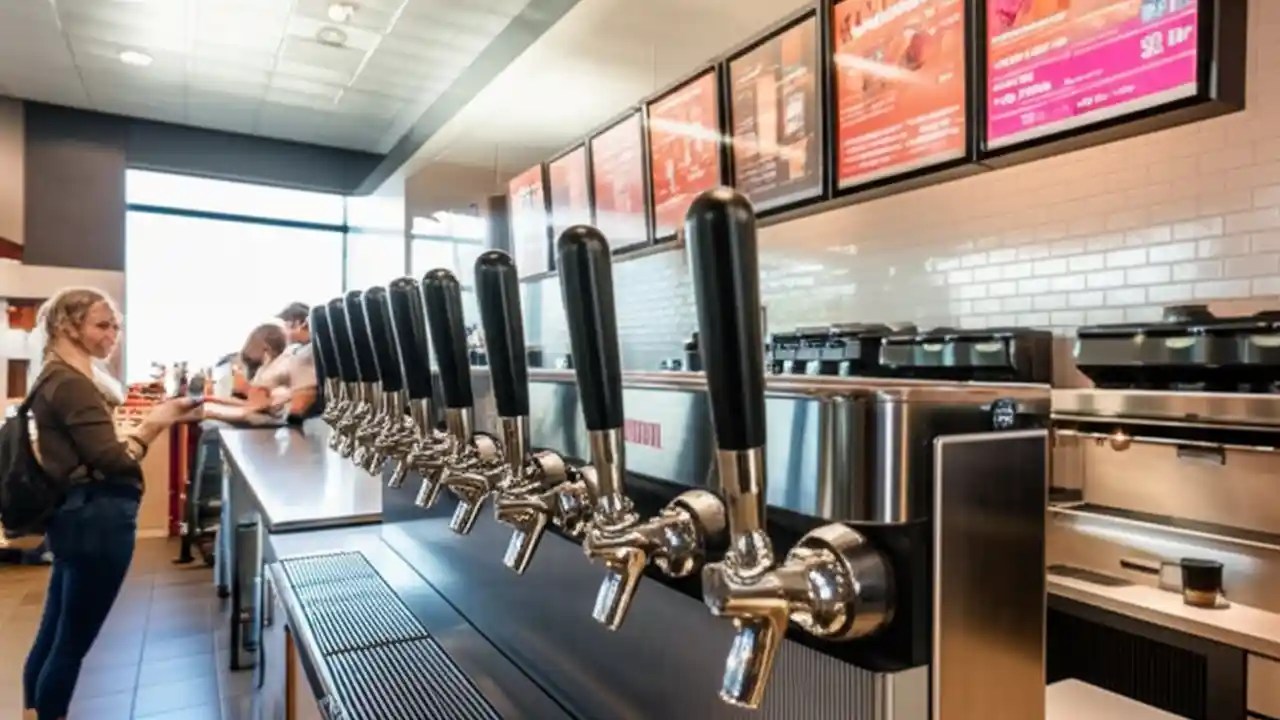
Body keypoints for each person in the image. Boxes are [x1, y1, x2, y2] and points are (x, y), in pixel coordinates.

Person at [22, 287, 202, 720]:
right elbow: (113, 460)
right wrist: (153, 425)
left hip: (73, 516)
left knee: (53, 633)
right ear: (68, 326)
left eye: (116, 326)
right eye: (102, 325)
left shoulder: (54, 376)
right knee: (71, 645)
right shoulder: (72, 385)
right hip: (99, 519)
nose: (112, 335)